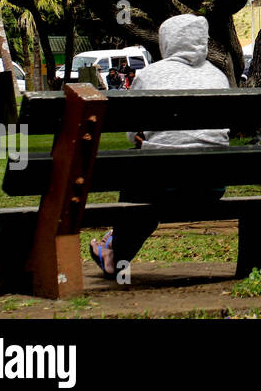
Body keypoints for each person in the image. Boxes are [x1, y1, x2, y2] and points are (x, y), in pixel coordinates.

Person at [89, 14, 230, 277]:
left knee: (143, 179)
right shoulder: (219, 77)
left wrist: (150, 140)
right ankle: (113, 248)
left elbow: (133, 135)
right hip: (210, 186)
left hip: (160, 186)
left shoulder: (150, 76)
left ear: (167, 41)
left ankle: (114, 254)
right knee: (152, 177)